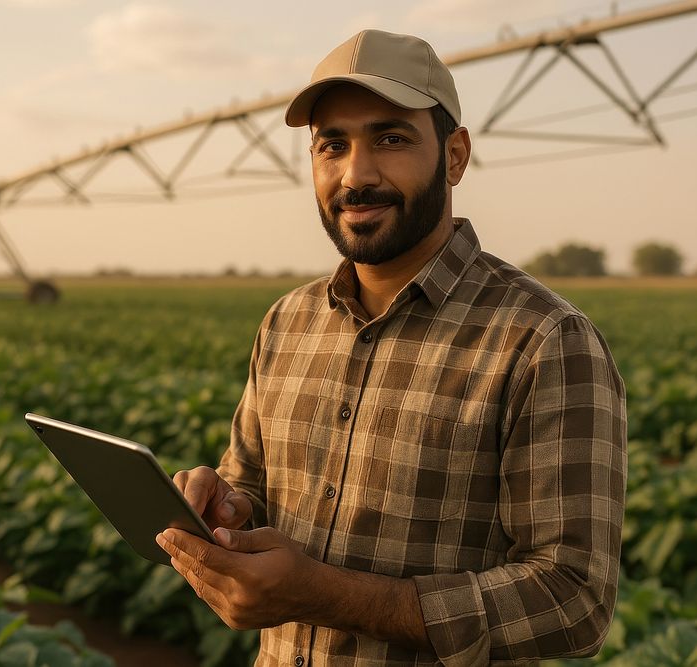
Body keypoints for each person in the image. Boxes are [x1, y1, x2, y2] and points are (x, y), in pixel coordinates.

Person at [156, 29, 627, 666]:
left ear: (456, 156)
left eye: (391, 138)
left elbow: (573, 601)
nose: (358, 174)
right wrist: (227, 506)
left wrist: (326, 595)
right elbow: (254, 483)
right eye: (333, 146)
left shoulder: (542, 340)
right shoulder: (288, 322)